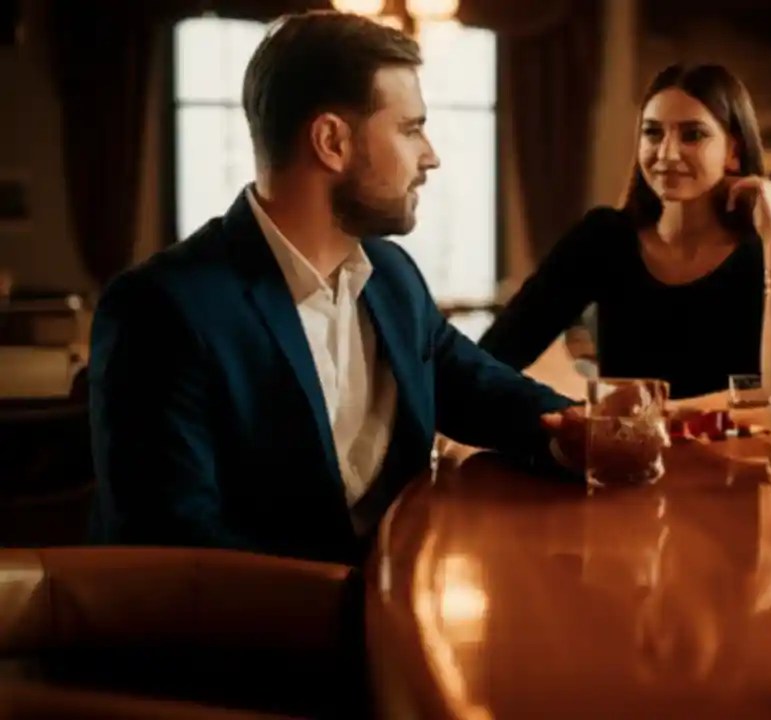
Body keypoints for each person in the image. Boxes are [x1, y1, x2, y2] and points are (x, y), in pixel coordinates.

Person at [88, 11, 587, 564]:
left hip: (399, 602)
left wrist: (575, 433)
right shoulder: (162, 308)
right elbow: (173, 549)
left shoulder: (391, 274)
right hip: (255, 638)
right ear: (332, 141)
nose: (431, 156)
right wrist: (352, 608)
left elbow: (472, 385)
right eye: (410, 128)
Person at [479, 63, 771, 406]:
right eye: (652, 132)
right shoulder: (603, 238)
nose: (667, 153)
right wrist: (566, 406)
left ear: (733, 152)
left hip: (743, 459)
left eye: (693, 134)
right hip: (629, 458)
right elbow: (494, 356)